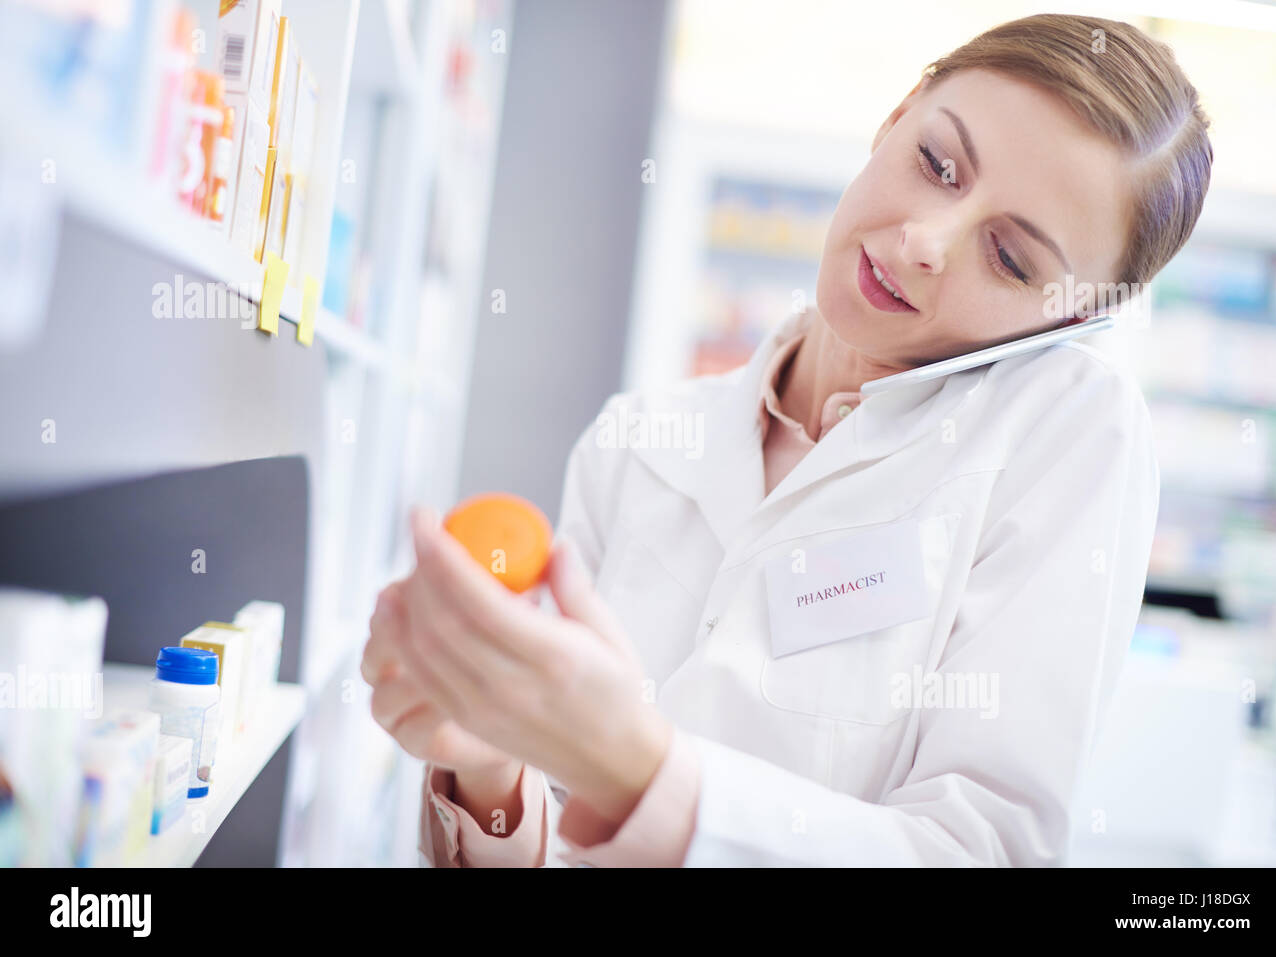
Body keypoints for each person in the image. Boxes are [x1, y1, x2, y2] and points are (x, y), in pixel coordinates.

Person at [362, 13, 1212, 866]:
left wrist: (642, 770)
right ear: (896, 115)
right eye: (936, 163)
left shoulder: (1067, 435)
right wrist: (488, 764)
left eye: (1012, 260)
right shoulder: (639, 439)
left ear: (1070, 318)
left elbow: (980, 848)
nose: (923, 241)